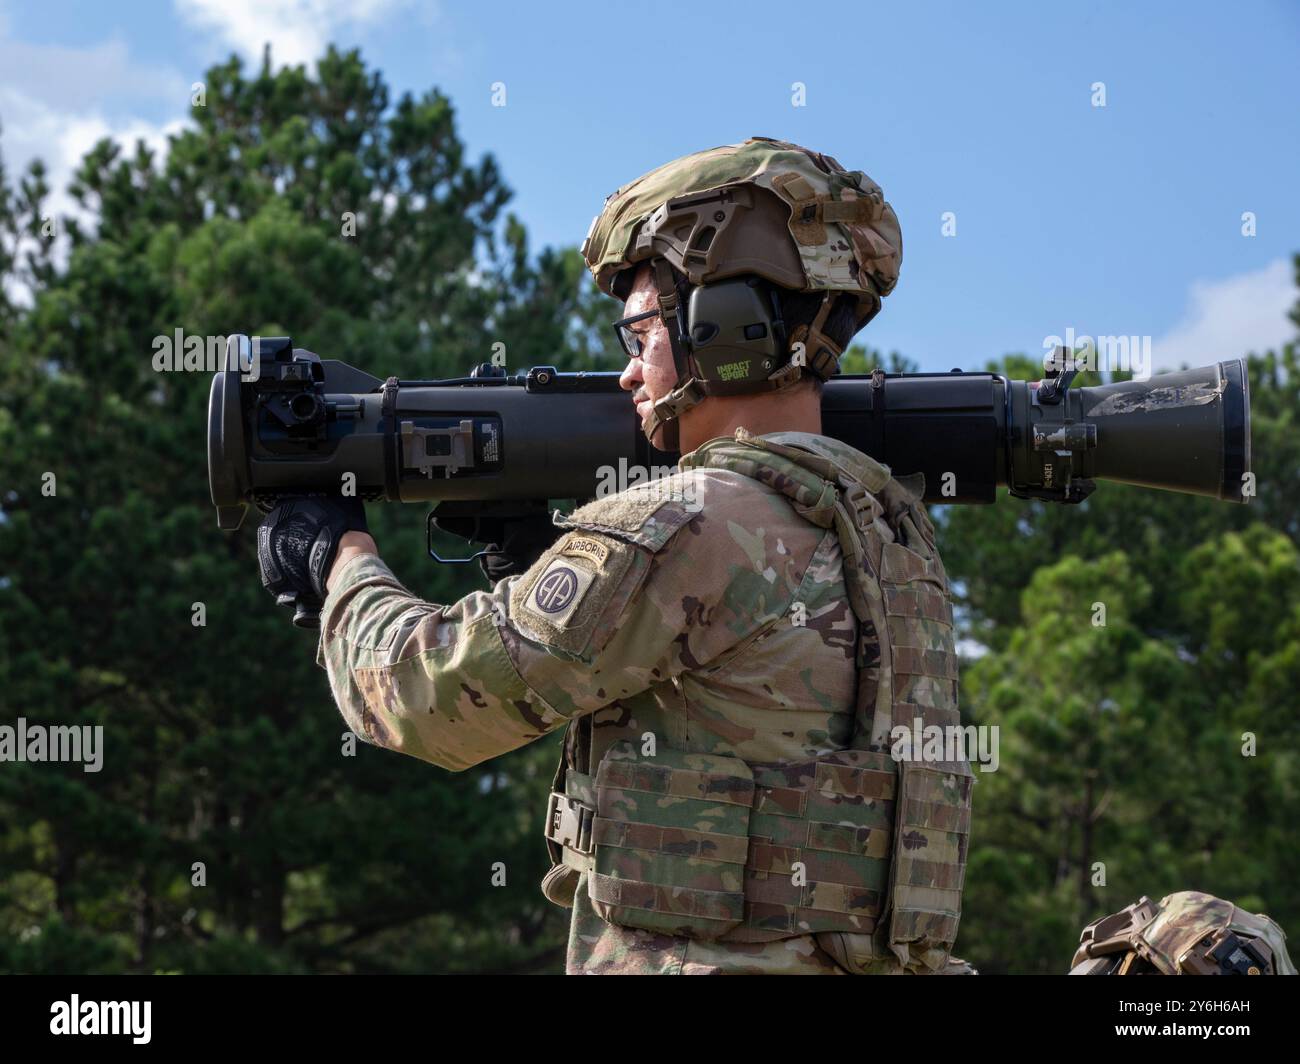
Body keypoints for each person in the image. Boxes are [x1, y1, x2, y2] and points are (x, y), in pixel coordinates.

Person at [255, 137, 976, 975]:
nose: (629, 373)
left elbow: (428, 696)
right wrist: (537, 564)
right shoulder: (888, 533)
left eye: (640, 334)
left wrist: (336, 559)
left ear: (723, 327)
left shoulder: (690, 522)